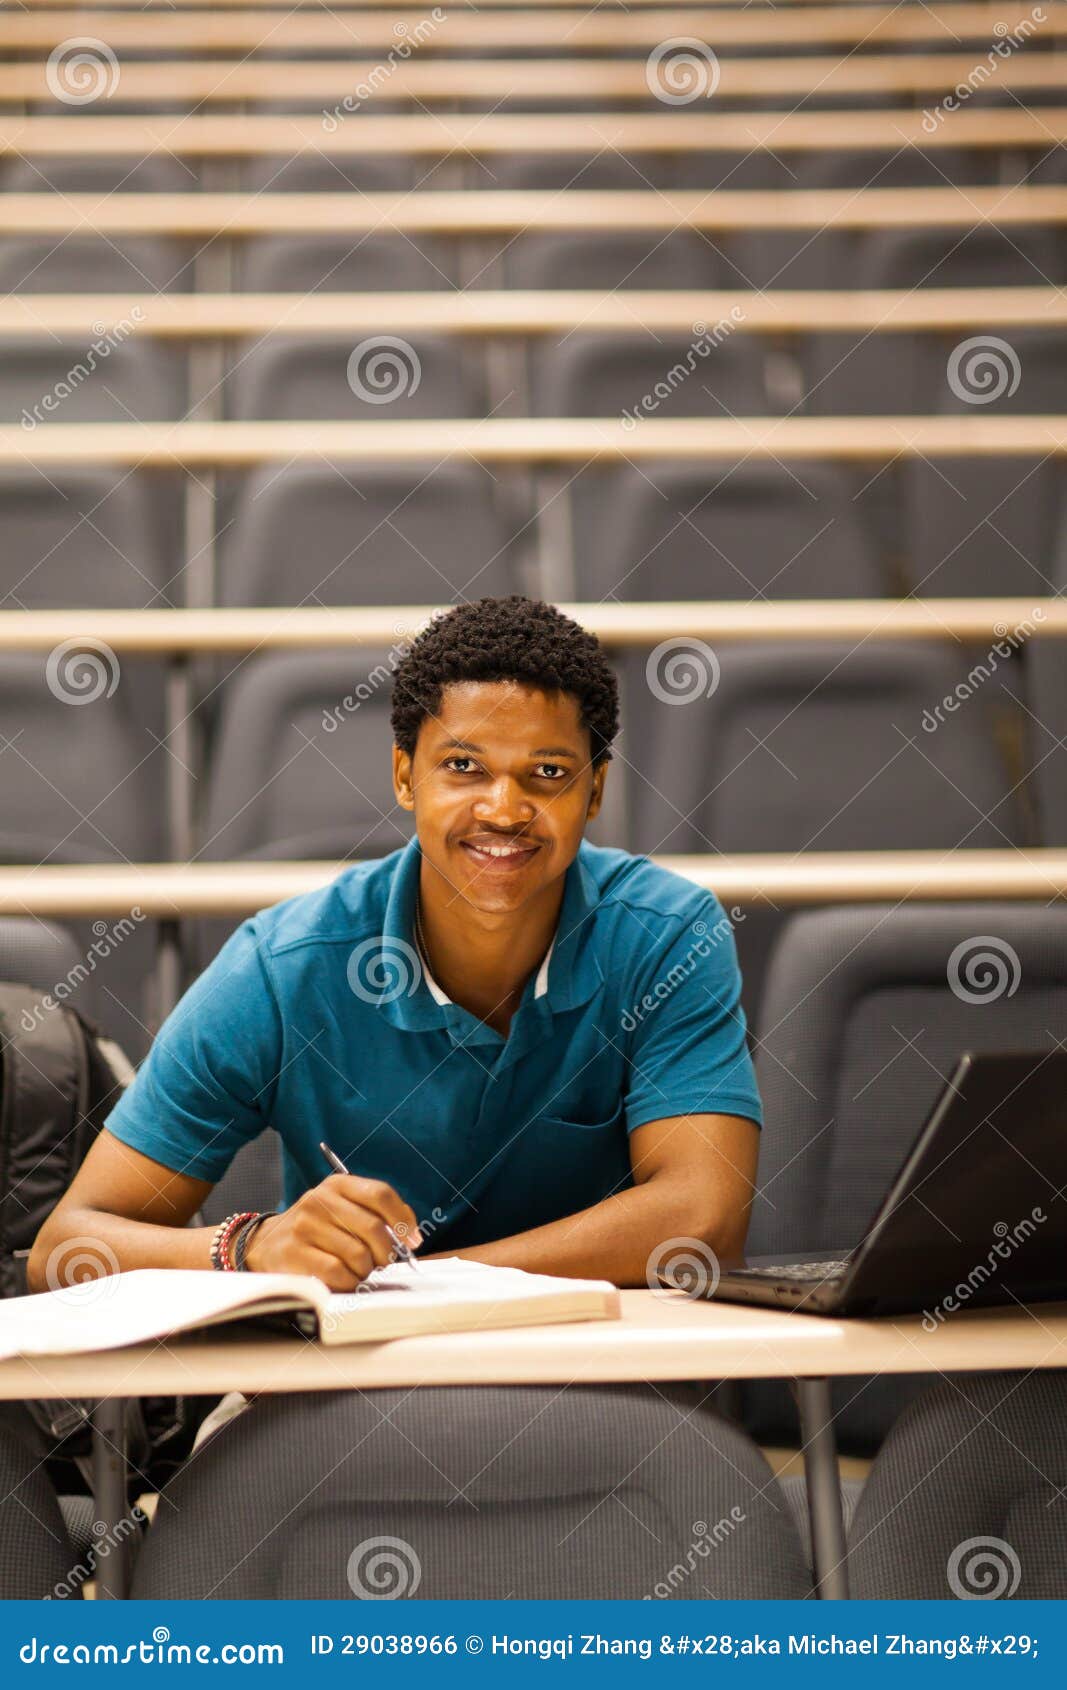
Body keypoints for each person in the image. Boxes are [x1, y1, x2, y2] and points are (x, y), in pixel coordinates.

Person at [30, 596, 761, 1293]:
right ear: (405, 775)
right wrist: (251, 1248)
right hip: (356, 1384)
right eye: (463, 766)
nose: (503, 809)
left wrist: (439, 1286)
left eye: (547, 773)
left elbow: (703, 1219)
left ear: (594, 792)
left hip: (608, 1378)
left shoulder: (668, 935)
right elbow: (68, 1248)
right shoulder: (285, 965)